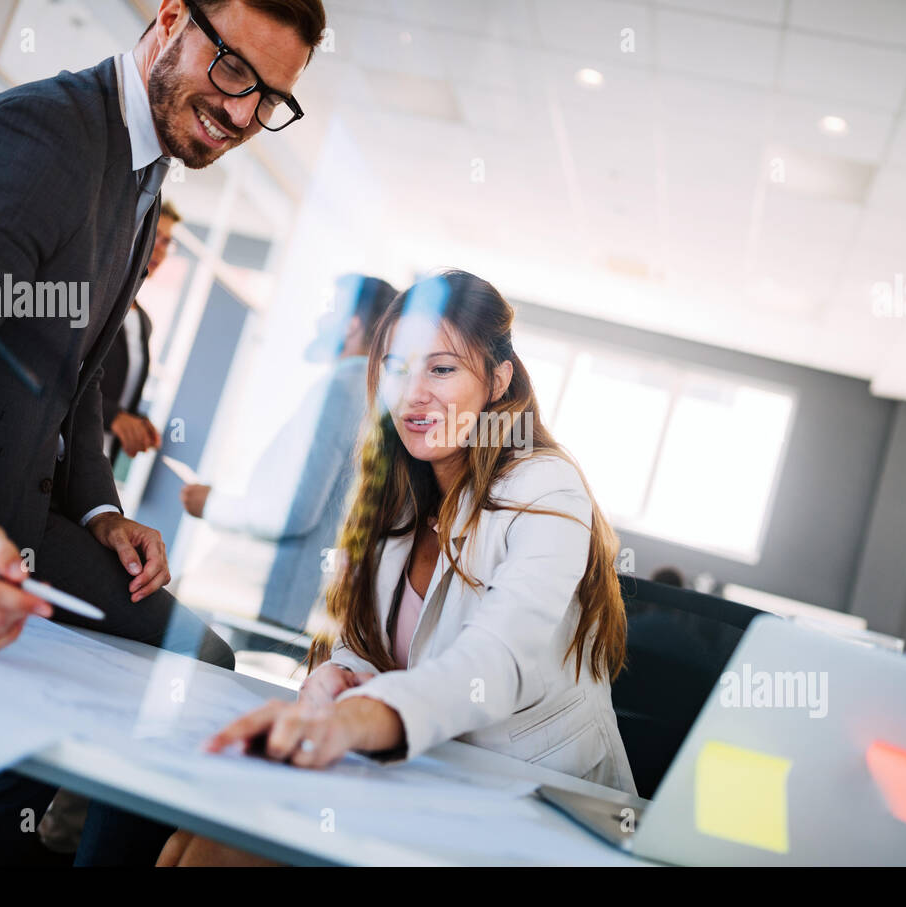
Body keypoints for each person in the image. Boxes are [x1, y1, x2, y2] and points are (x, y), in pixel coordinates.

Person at [0, 0, 326, 865]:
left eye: (271, 98)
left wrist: (100, 513)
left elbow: (80, 376)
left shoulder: (142, 166)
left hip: (17, 512)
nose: (244, 113)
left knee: (195, 664)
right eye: (235, 68)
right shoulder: (36, 143)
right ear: (171, 17)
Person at [158, 270, 636, 866]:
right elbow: (371, 645)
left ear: (498, 379)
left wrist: (357, 722)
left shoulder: (545, 488)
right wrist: (337, 677)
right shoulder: (402, 494)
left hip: (532, 804)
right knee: (190, 834)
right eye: (397, 367)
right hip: (430, 771)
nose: (413, 394)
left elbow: (498, 660)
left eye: (441, 369)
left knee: (222, 852)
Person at [179, 274, 398, 634]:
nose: (318, 321)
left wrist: (213, 504)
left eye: (329, 310)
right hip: (298, 599)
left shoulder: (342, 390)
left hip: (278, 601)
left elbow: (294, 512)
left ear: (352, 326)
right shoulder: (371, 393)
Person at [102, 201, 183, 463]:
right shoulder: (98, 297)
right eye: (156, 235)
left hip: (100, 459)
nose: (160, 247)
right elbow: (62, 377)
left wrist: (136, 421)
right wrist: (113, 416)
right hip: (58, 451)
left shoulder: (144, 321)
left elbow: (117, 390)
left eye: (167, 241)